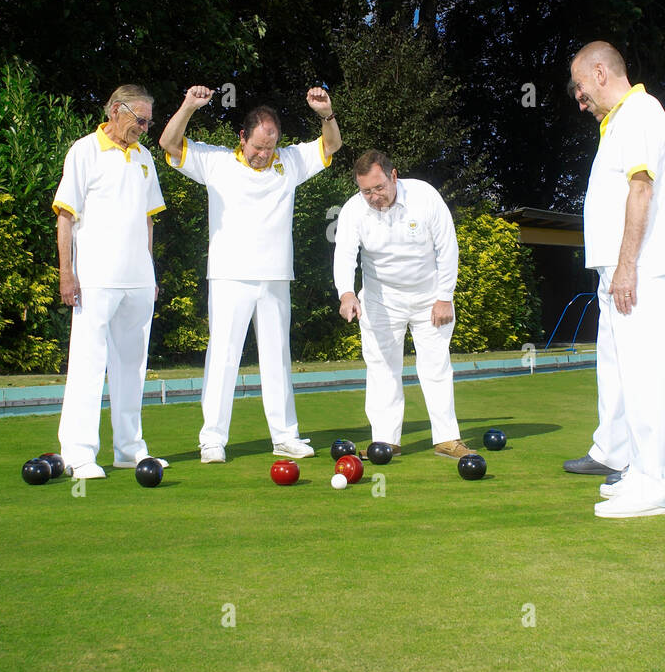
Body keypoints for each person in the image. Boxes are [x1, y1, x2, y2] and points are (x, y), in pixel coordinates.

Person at [159, 85, 341, 461]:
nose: (262, 154)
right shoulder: (216, 162)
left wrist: (326, 114)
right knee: (223, 357)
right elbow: (169, 143)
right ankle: (212, 440)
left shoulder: (289, 162)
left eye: (269, 148)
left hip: (276, 277)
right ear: (242, 138)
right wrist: (189, 107)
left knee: (278, 357)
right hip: (228, 276)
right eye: (257, 146)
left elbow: (331, 146)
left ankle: (285, 436)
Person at [567, 41, 665, 518]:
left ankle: (655, 486)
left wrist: (628, 265)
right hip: (617, 269)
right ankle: (637, 469)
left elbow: (643, 187)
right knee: (624, 374)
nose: (579, 99)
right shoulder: (621, 121)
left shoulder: (638, 113)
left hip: (639, 268)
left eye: (579, 87)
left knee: (644, 374)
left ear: (599, 72)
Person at [53, 85, 167, 480]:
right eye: (140, 119)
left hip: (137, 280)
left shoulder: (146, 158)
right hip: (95, 279)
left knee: (132, 366)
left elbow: (148, 220)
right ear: (116, 111)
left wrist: (149, 272)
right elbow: (65, 217)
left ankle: (129, 449)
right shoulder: (83, 151)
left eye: (149, 121)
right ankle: (79, 454)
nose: (145, 127)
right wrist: (67, 273)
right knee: (87, 363)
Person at [333, 150, 470, 458]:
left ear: (394, 176)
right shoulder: (354, 210)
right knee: (382, 368)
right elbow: (344, 254)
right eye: (366, 190)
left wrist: (444, 297)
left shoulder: (425, 196)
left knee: (436, 367)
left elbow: (447, 247)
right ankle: (385, 441)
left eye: (379, 187)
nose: (373, 196)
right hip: (381, 301)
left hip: (429, 297)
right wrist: (347, 293)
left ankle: (447, 439)